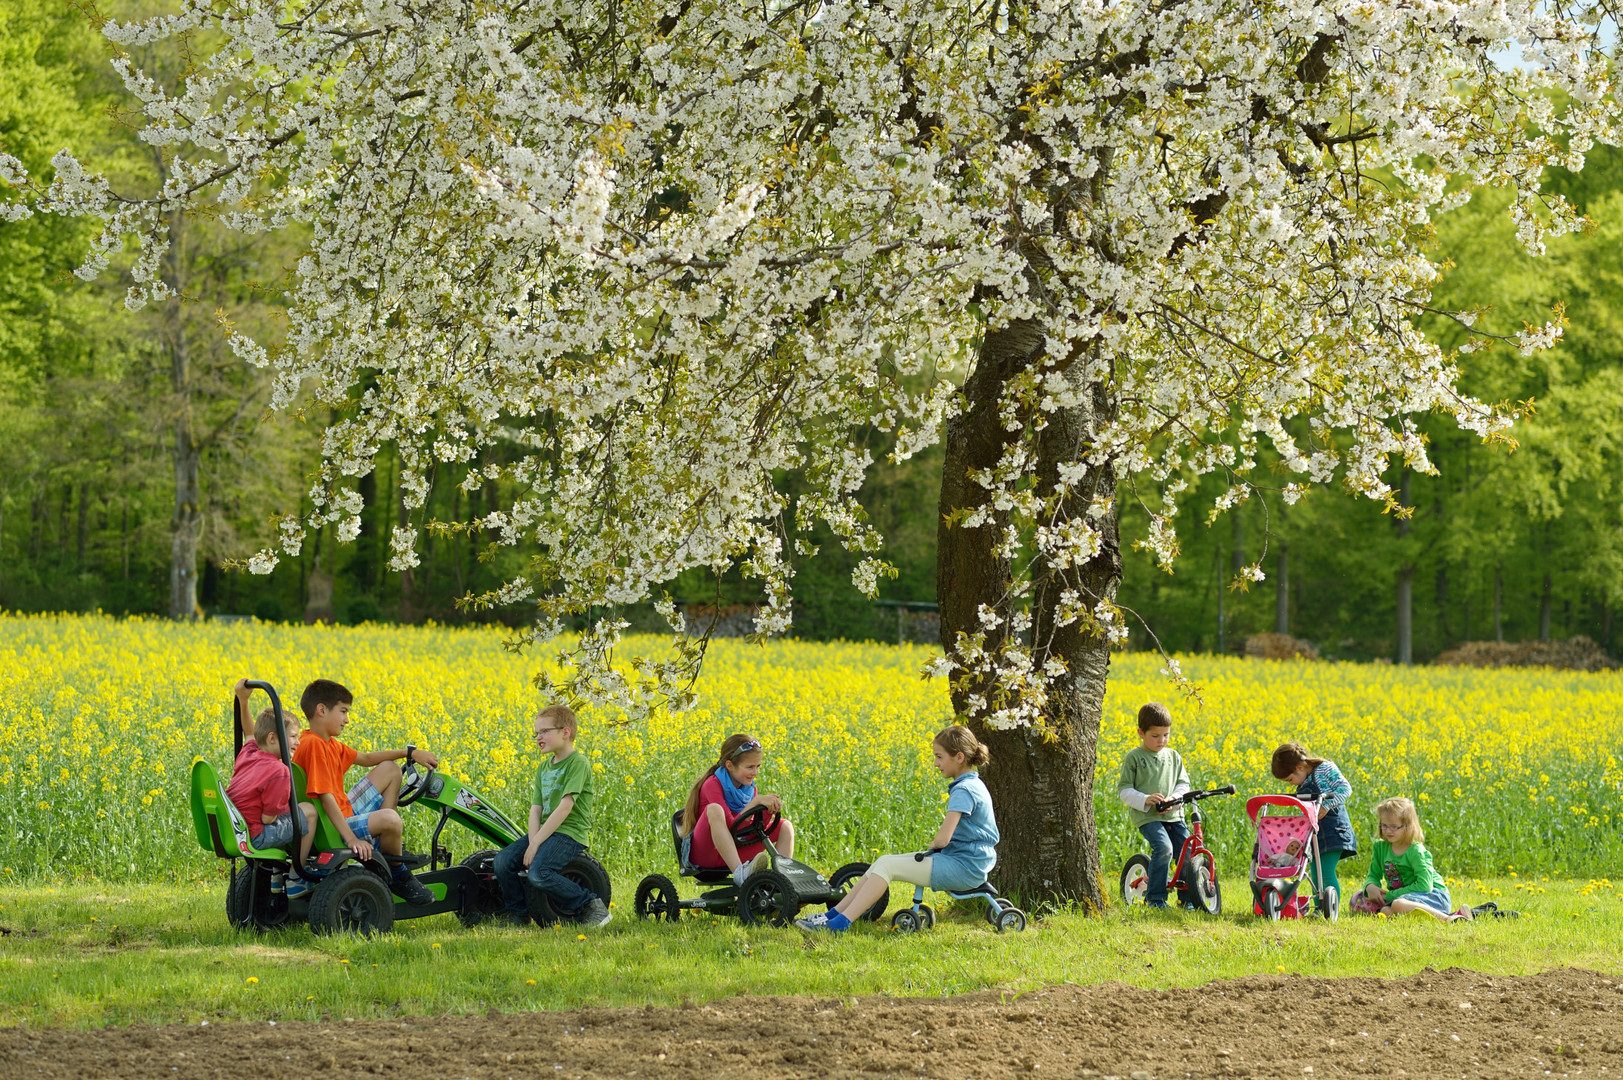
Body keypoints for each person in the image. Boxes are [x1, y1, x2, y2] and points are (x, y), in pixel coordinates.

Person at [796, 725, 996, 932]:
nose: (936, 764)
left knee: (887, 867)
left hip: (963, 867)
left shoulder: (963, 790)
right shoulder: (973, 784)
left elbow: (943, 839)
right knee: (883, 861)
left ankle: (838, 925)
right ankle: (831, 916)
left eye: (939, 757)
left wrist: (933, 846)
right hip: (966, 862)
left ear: (959, 757)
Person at [290, 678, 439, 905]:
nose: (347, 720)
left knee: (390, 770)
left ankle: (379, 845)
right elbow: (325, 797)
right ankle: (396, 871)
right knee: (391, 819)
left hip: (339, 812)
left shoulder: (326, 742)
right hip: (332, 825)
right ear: (321, 710)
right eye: (343, 711)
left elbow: (367, 759)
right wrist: (350, 839)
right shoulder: (315, 746)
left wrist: (410, 753)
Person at [493, 704, 611, 928]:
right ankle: (519, 914)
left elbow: (566, 807)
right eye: (536, 733)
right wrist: (532, 839)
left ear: (565, 732)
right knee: (503, 861)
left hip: (569, 833)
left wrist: (536, 842)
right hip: (547, 833)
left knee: (539, 874)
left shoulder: (578, 763)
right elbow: (536, 808)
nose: (539, 737)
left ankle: (591, 905)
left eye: (544, 731)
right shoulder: (543, 768)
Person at [226, 684, 319, 897]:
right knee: (308, 812)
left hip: (236, 831)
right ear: (272, 739)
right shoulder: (279, 770)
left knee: (289, 813)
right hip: (256, 836)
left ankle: (278, 876)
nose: (298, 741)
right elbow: (268, 820)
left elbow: (249, 732)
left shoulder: (248, 753)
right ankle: (297, 877)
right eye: (294, 736)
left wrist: (243, 701)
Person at [680, 733, 797, 887]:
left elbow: (745, 830)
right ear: (729, 765)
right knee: (714, 809)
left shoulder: (749, 789)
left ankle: (782, 884)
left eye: (758, 766)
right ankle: (740, 873)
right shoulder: (712, 784)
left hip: (733, 851)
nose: (755, 772)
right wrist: (755, 803)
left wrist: (767, 812)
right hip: (706, 853)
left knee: (785, 826)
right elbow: (729, 826)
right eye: (750, 767)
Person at [1117, 702, 1191, 908]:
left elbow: (1183, 783)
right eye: (1155, 736)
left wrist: (1174, 799)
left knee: (1187, 851)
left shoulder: (1173, 756)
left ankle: (1186, 899)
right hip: (1148, 816)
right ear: (1141, 733)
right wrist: (1145, 799)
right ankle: (1156, 899)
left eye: (1166, 735)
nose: (1162, 741)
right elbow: (1124, 790)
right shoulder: (1134, 757)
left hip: (1173, 815)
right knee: (1164, 848)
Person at [1362, 796, 1473, 921]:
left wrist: (1390, 895)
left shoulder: (1415, 850)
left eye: (1394, 826)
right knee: (1386, 911)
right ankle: (1457, 915)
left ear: (1408, 826)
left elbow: (1424, 885)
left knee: (1398, 905)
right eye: (1384, 825)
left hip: (1434, 895)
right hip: (1406, 898)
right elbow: (1373, 874)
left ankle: (1450, 919)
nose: (1388, 831)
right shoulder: (1380, 847)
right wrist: (1370, 886)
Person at [1270, 741, 1357, 902]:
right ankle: (1319, 908)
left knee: (1325, 871)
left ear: (1300, 767)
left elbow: (1345, 788)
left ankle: (1330, 910)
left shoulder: (1324, 769)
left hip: (1334, 829)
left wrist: (1326, 805)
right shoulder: (1303, 781)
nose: (1292, 784)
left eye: (1290, 780)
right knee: (1315, 872)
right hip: (1315, 834)